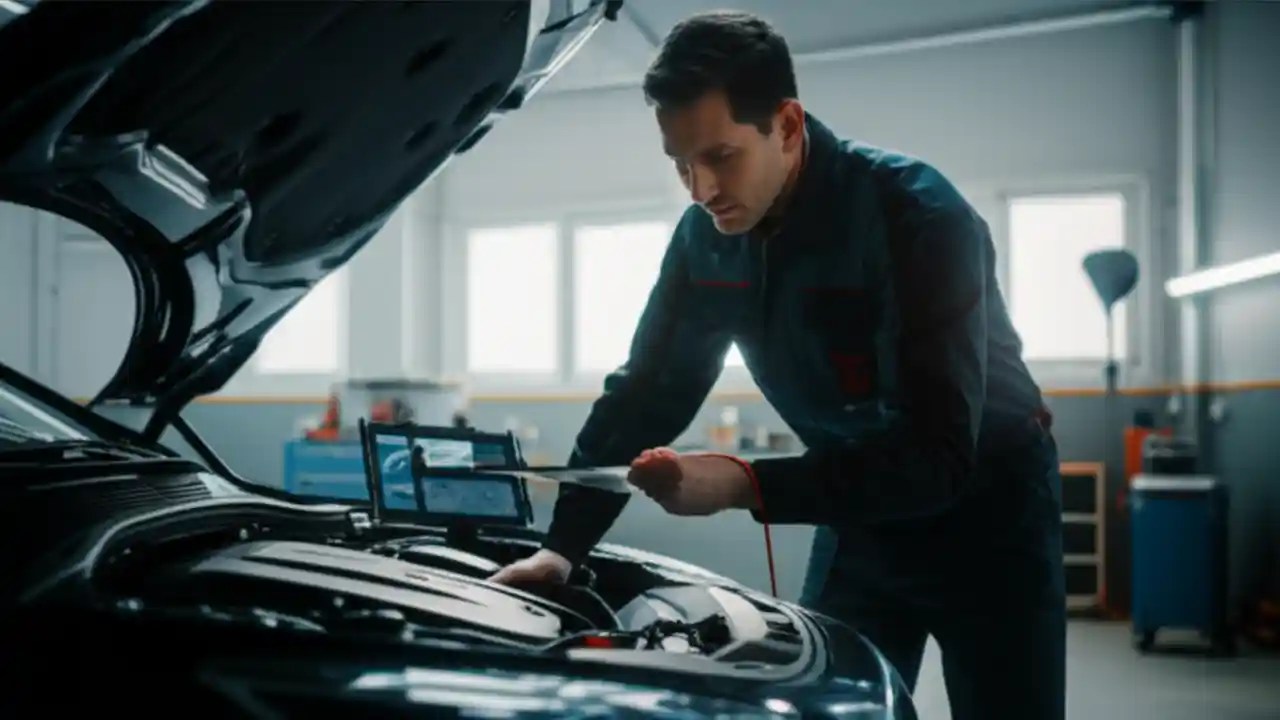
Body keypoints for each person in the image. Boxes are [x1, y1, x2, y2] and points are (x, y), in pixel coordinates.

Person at [489, 10, 1065, 719]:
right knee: (827, 706)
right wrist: (562, 549)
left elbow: (936, 457)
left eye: (721, 156)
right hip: (861, 510)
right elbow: (646, 393)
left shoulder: (919, 217)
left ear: (787, 126)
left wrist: (742, 483)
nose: (698, 189)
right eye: (679, 162)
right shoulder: (708, 237)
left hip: (989, 511)